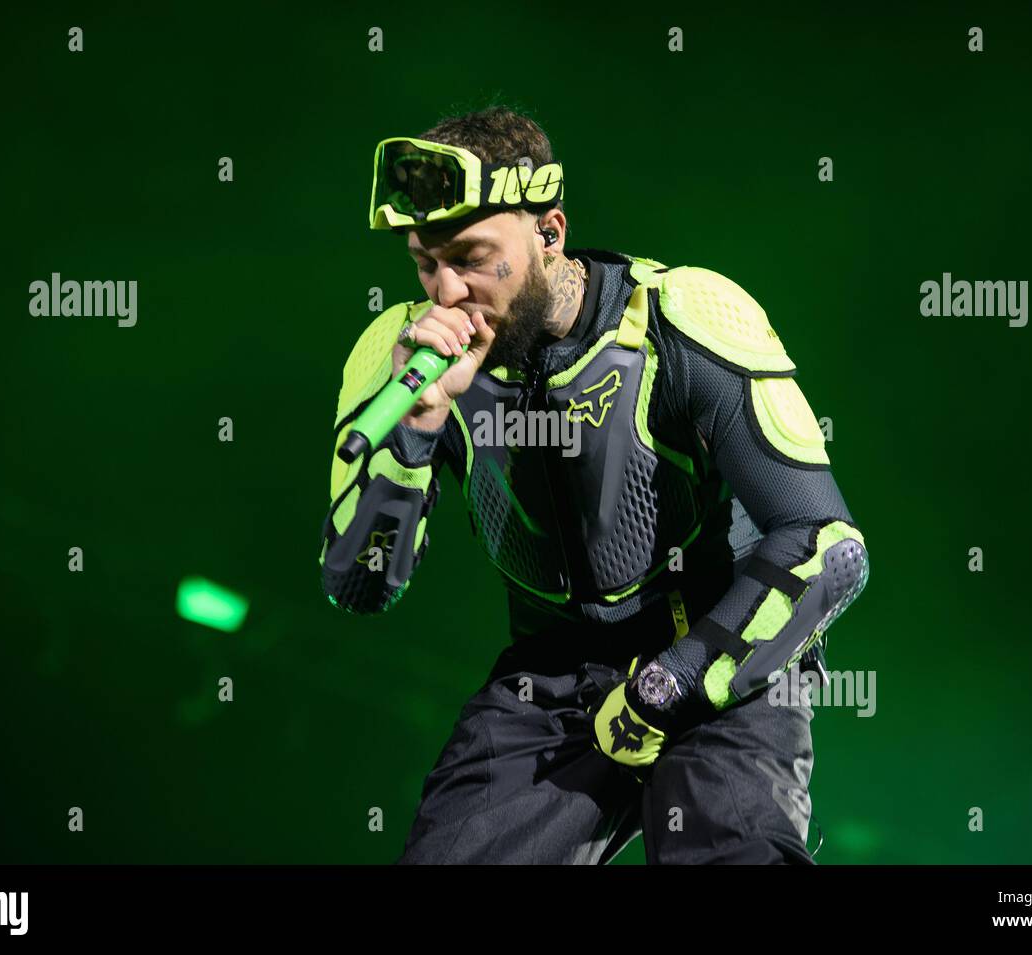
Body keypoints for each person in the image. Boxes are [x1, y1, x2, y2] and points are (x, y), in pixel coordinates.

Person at [320, 106, 869, 864]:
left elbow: (826, 545)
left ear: (549, 232)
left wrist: (667, 687)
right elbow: (359, 584)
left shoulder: (684, 317)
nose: (447, 291)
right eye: (425, 262)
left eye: (474, 257)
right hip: (548, 681)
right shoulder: (399, 357)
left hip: (718, 651)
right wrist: (415, 429)